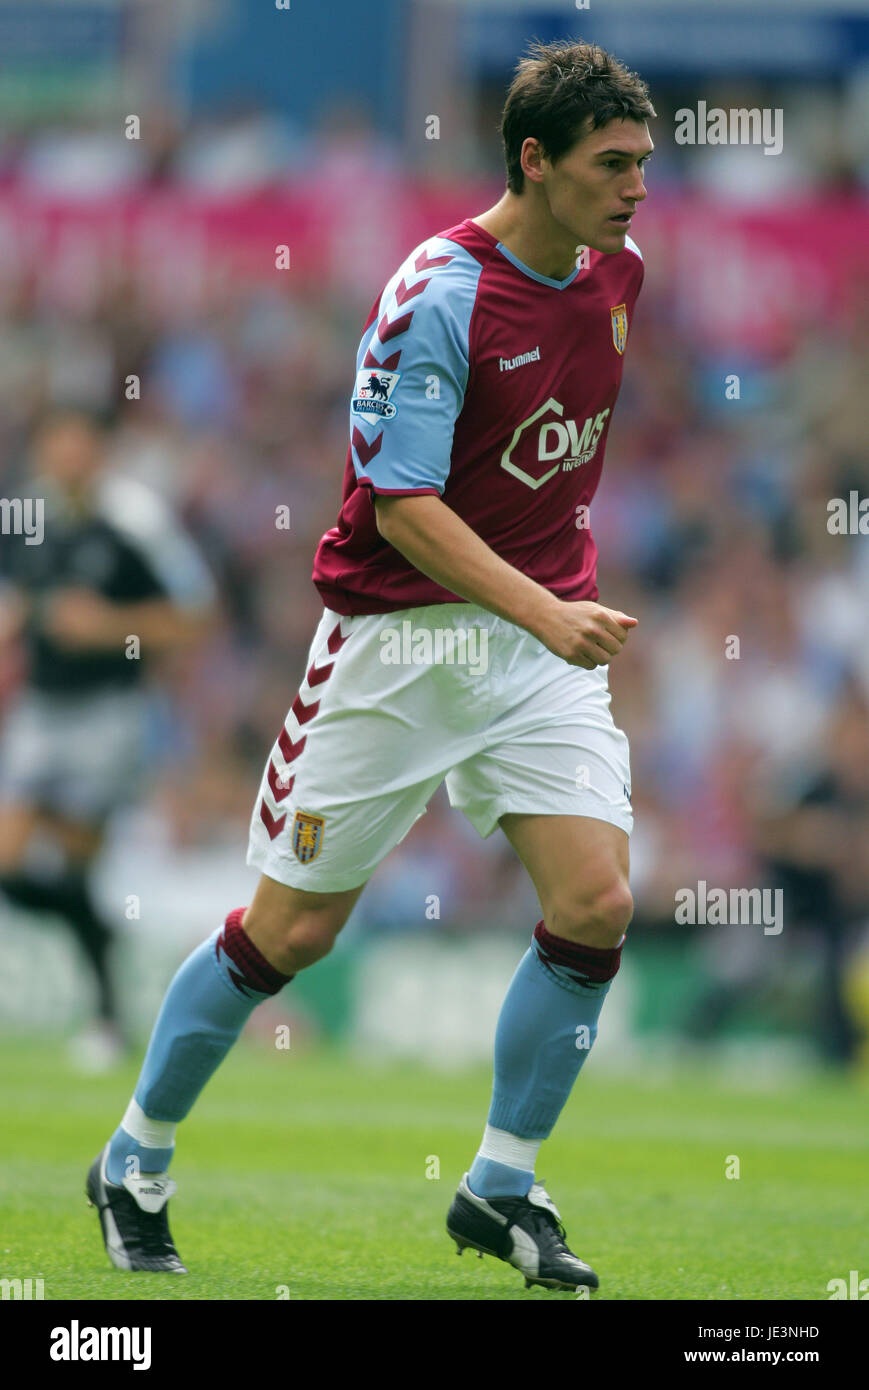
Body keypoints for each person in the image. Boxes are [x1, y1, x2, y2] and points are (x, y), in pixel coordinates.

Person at [87, 37, 655, 1293]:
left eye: (641, 164)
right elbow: (399, 505)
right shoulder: (437, 292)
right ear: (533, 159)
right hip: (397, 644)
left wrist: (550, 616)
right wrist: (543, 609)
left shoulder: (617, 275)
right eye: (609, 164)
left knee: (596, 904)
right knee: (289, 932)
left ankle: (499, 1187)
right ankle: (134, 1158)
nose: (633, 188)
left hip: (534, 645)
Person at [0, 408, 215, 1070]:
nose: (64, 454)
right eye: (53, 441)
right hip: (39, 708)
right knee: (11, 863)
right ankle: (106, 972)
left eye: (76, 442)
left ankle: (106, 1015)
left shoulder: (135, 519)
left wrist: (109, 625)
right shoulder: (25, 515)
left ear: (97, 450)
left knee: (75, 868)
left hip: (109, 713)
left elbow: (196, 616)